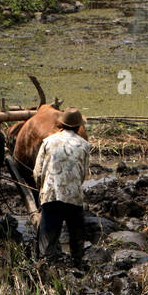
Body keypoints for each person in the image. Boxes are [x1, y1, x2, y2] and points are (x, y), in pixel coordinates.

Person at [32, 108, 91, 269]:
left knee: (48, 237)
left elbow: (37, 172)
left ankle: (46, 267)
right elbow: (83, 174)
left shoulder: (48, 142)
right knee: (76, 235)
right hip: (74, 197)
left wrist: (41, 188)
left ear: (61, 124)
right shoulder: (85, 145)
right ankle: (77, 265)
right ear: (79, 127)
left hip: (51, 196)